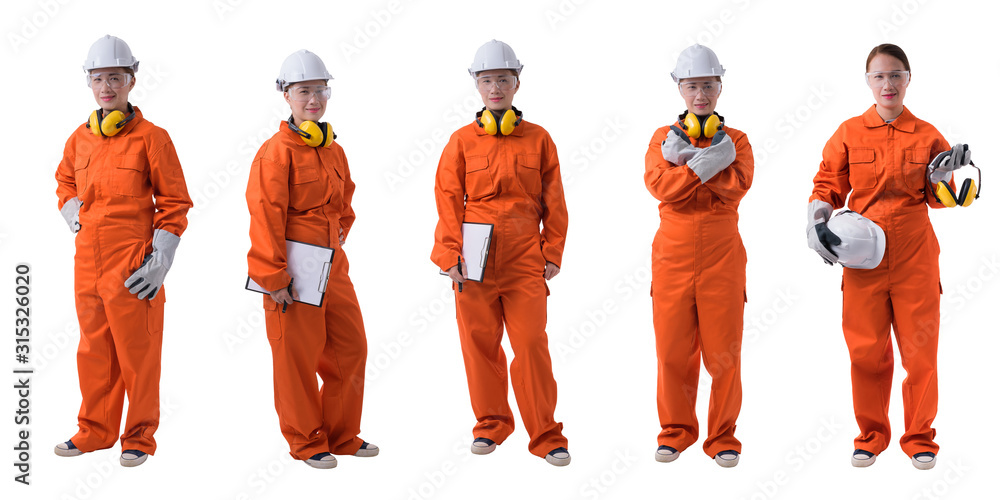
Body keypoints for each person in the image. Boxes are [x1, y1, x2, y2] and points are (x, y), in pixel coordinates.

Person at [807, 43, 972, 470]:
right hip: (863, 260)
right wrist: (816, 224)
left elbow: (941, 199)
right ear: (867, 82)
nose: (888, 84)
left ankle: (919, 438)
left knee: (920, 354)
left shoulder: (928, 133)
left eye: (896, 75)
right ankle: (871, 436)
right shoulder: (849, 132)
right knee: (866, 352)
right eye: (879, 76)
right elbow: (826, 185)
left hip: (915, 257)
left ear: (908, 79)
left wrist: (948, 178)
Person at [53, 35, 193, 468]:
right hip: (87, 264)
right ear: (89, 84)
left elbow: (175, 203)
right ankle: (94, 431)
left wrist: (161, 262)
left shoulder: (154, 138)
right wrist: (72, 211)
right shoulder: (80, 138)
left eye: (115, 77)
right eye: (99, 79)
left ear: (131, 80)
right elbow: (64, 182)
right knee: (94, 351)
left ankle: (138, 437)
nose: (106, 86)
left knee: (139, 354)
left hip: (134, 263)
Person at [431, 40, 571, 466]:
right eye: (487, 79)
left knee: (530, 345)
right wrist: (449, 255)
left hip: (525, 259)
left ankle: (546, 435)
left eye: (503, 79)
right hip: (473, 262)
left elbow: (556, 202)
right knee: (480, 346)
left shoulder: (539, 139)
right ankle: (491, 425)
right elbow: (448, 201)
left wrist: (553, 252)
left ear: (517, 83)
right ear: (476, 84)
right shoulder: (460, 142)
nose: (495, 87)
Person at [246, 49, 377, 470]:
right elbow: (264, 216)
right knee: (297, 359)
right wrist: (273, 275)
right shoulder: (275, 152)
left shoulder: (333, 150)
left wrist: (339, 232)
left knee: (350, 348)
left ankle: (342, 435)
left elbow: (346, 203)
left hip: (332, 266)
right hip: (292, 268)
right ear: (286, 94)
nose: (314, 99)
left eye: (320, 90)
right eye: (304, 91)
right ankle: (306, 441)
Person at [644, 44, 753, 468]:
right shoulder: (661, 139)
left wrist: (684, 167)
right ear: (680, 88)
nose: (700, 94)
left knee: (724, 354)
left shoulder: (738, 140)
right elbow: (659, 187)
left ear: (719, 86)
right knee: (672, 353)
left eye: (708, 85)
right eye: (692, 86)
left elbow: (737, 185)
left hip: (723, 259)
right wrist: (707, 166)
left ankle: (723, 437)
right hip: (672, 257)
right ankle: (675, 432)